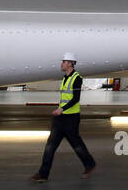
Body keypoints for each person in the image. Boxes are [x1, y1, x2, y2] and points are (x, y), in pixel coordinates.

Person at [30, 52, 96, 181]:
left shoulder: (77, 78)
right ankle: (43, 174)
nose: (62, 64)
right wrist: (60, 111)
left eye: (64, 62)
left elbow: (76, 99)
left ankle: (90, 164)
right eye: (62, 61)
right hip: (60, 119)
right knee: (50, 146)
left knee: (76, 145)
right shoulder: (65, 77)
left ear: (71, 63)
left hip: (71, 118)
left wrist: (62, 109)